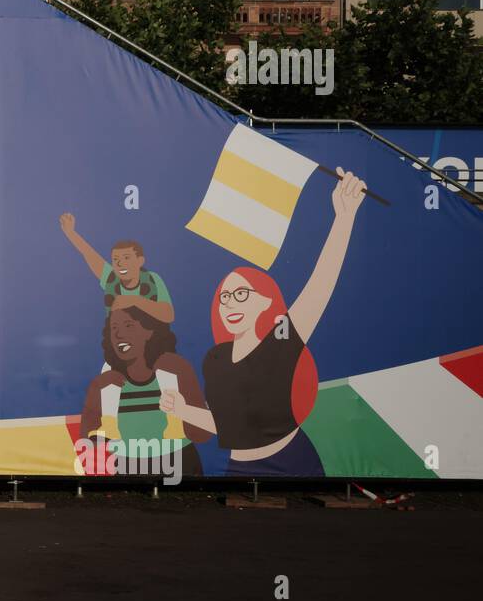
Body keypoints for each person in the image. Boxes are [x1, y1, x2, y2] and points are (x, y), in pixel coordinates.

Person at [163, 168, 368, 477]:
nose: (230, 302)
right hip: (239, 469)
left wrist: (344, 217)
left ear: (266, 302)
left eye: (242, 293)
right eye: (225, 296)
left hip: (295, 461)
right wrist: (182, 410)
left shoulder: (280, 341)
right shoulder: (215, 359)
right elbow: (228, 423)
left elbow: (320, 286)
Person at [80, 305, 211, 476]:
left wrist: (180, 409)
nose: (119, 335)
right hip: (127, 466)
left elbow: (202, 435)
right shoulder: (107, 379)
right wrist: (96, 389)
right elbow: (87, 442)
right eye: (114, 329)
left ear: (149, 331)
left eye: (129, 325)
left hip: (179, 463)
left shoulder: (175, 367)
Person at [59, 213, 174, 323]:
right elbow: (88, 253)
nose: (120, 264)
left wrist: (133, 300)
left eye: (126, 258)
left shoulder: (152, 279)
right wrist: (70, 232)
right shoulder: (111, 278)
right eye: (116, 259)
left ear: (140, 261)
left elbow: (168, 315)